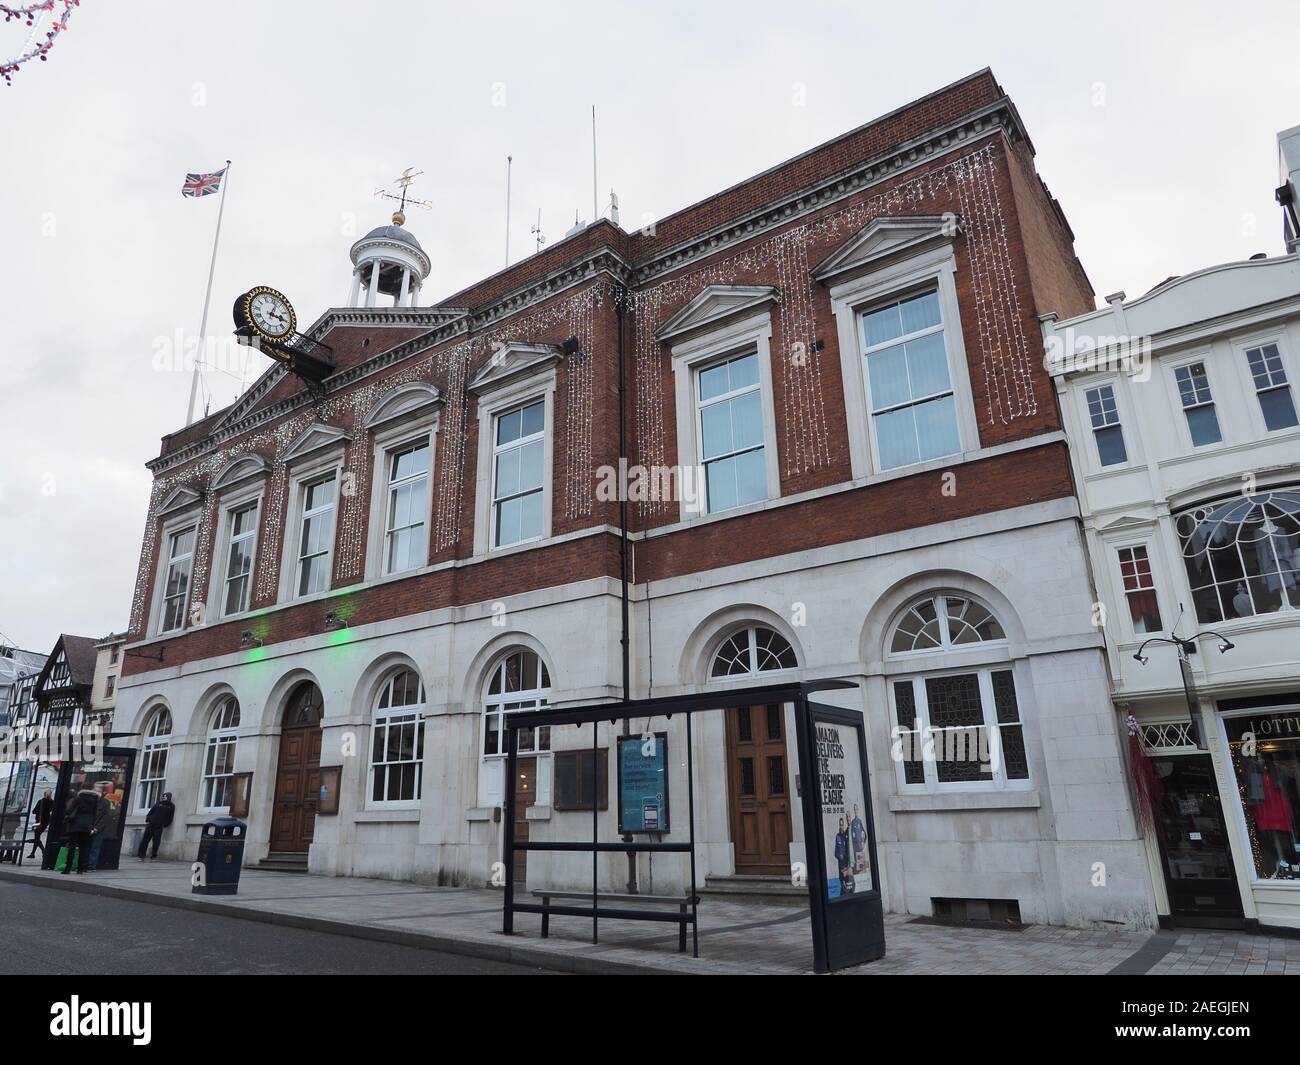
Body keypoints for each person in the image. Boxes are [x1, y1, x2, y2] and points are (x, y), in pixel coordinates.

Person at [61, 787, 100, 875]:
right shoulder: (95, 800)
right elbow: (95, 814)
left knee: (72, 847)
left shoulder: (78, 798)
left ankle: (68, 868)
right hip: (87, 826)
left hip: (75, 825)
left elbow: (69, 810)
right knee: (84, 848)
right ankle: (80, 869)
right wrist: (92, 825)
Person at [138, 792, 175, 861]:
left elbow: (170, 817)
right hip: (151, 824)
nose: (164, 797)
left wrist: (165, 824)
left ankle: (153, 856)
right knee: (145, 840)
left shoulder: (171, 806)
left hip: (159, 826)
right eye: (163, 796)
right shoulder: (158, 803)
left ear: (169, 797)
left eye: (165, 796)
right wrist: (148, 819)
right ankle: (141, 856)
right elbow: (151, 811)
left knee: (156, 841)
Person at [88, 789, 118, 872]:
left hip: (99, 829)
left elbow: (106, 817)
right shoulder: (91, 801)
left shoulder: (105, 802)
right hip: (88, 827)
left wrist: (96, 828)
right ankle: (84, 864)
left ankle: (91, 865)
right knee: (87, 847)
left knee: (95, 848)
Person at [28, 789, 53, 859]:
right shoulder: (52, 802)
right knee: (37, 837)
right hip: (46, 822)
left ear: (44, 794)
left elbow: (34, 811)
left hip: (39, 821)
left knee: (37, 837)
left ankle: (43, 850)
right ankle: (33, 853)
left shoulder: (41, 801)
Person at [850, 803, 868, 875]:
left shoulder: (860, 821)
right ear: (853, 810)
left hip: (860, 847)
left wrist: (863, 842)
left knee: (861, 867)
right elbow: (851, 835)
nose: (855, 811)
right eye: (854, 809)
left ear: (858, 810)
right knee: (856, 868)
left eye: (856, 809)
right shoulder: (853, 822)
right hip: (855, 847)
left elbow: (865, 833)